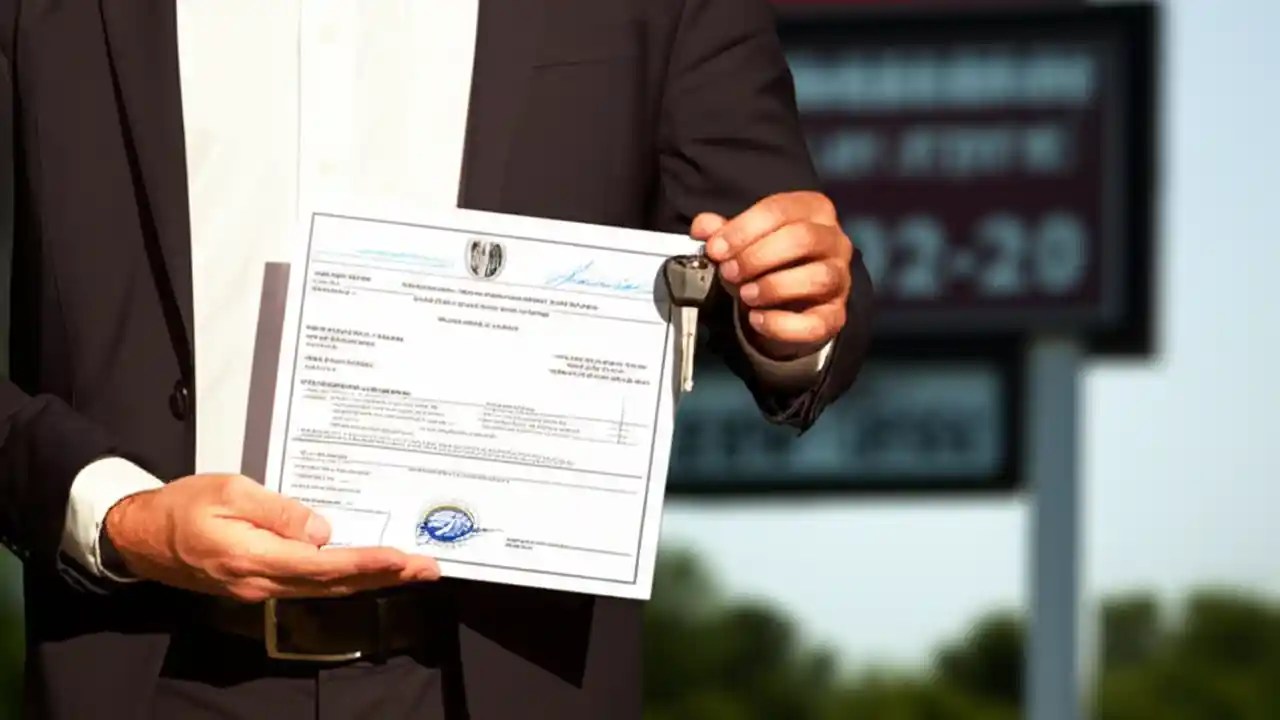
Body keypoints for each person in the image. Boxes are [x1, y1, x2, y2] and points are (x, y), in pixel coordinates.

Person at [0, 1, 873, 718]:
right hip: (142, 668)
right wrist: (117, 517)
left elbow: (783, 259)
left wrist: (793, 305)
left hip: (501, 674)